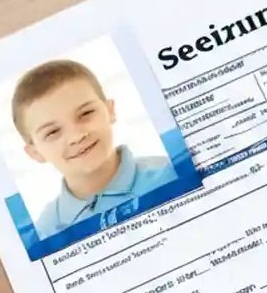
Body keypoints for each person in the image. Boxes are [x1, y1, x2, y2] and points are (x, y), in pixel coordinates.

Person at [11, 59, 175, 239]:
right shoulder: (45, 233)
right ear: (35, 153)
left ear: (110, 111)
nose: (76, 136)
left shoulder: (171, 173)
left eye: (86, 114)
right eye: (52, 132)